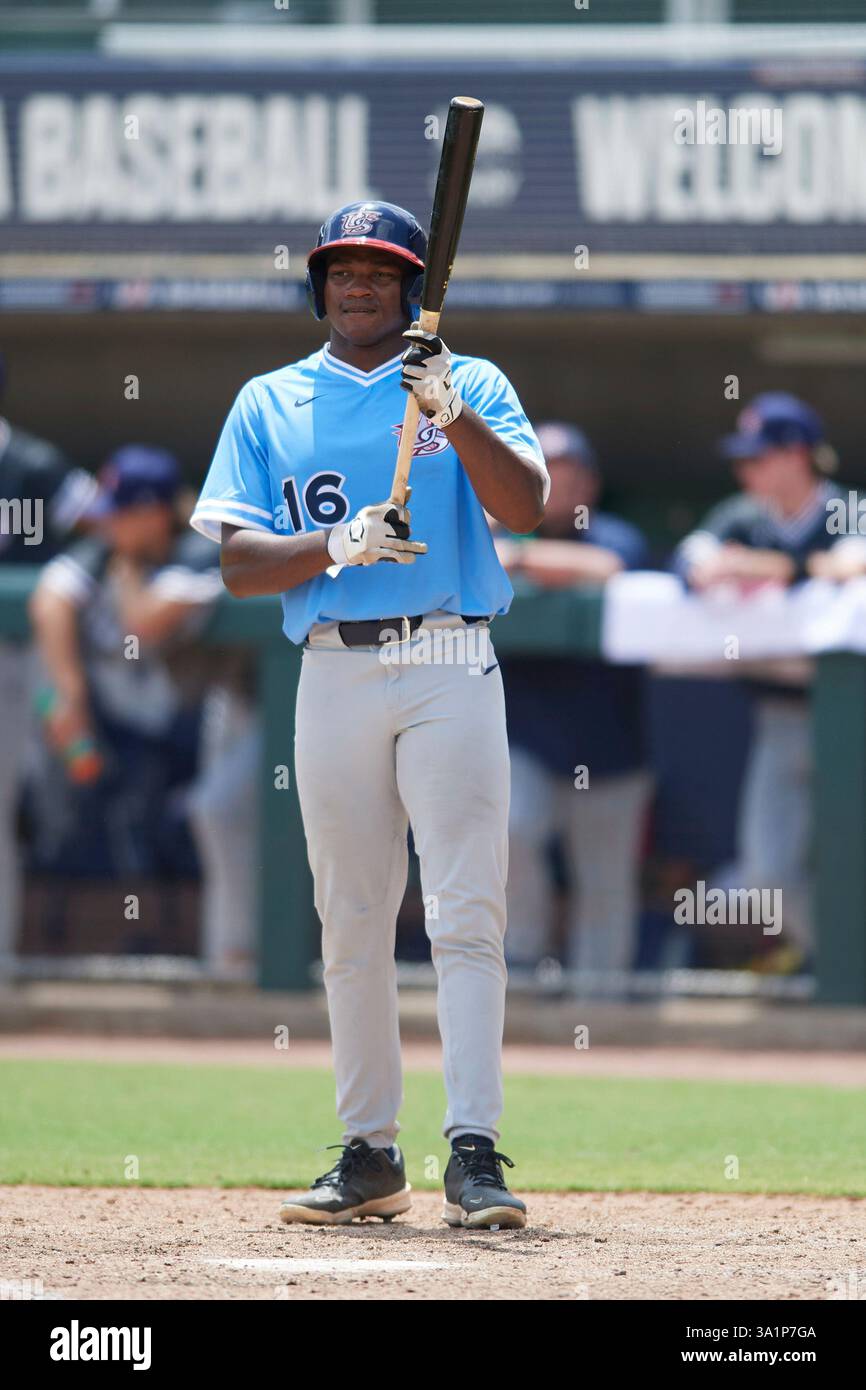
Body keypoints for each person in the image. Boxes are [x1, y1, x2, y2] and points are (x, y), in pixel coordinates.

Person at [190, 200, 549, 1230]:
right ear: (319, 286)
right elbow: (237, 564)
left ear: (407, 286)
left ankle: (473, 1150)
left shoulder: (464, 380)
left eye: (378, 271)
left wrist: (446, 411)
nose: (358, 285)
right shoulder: (269, 399)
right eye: (341, 270)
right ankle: (369, 1152)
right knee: (348, 917)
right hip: (333, 663)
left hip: (446, 651)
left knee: (464, 912)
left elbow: (523, 505)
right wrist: (341, 543)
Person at [675, 392, 857, 963]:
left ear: (797, 454)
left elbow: (849, 563)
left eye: (758, 457)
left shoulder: (846, 509)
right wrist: (710, 566)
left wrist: (773, 568)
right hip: (780, 715)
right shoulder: (743, 516)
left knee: (850, 858)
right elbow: (692, 557)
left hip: (851, 715)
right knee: (768, 872)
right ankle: (840, 967)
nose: (745, 470)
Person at [28, 446, 225, 937]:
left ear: (155, 514)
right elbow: (48, 600)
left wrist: (127, 571)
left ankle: (187, 944)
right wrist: (69, 694)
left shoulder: (201, 547)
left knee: (196, 823)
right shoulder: (107, 551)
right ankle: (76, 937)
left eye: (120, 514)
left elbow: (144, 620)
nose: (107, 525)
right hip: (118, 727)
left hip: (196, 728)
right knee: (65, 789)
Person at [495, 423, 652, 988]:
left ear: (590, 483)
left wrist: (520, 557)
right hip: (528, 740)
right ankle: (524, 962)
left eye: (568, 474)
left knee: (605, 884)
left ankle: (600, 1005)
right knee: (510, 828)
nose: (557, 487)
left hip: (611, 750)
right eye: (544, 473)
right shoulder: (496, 528)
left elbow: (611, 568)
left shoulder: (612, 534)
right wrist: (512, 547)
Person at [0, 355, 96, 965]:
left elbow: (106, 524)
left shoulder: (32, 464)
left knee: (38, 798)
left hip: (22, 661)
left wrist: (64, 583)